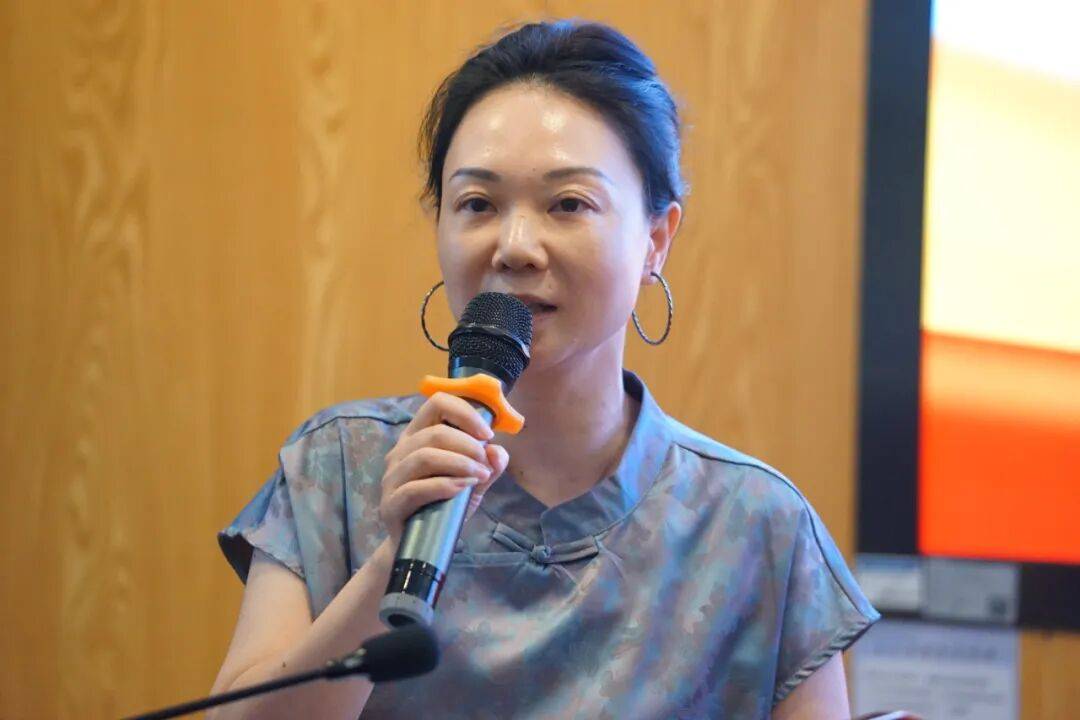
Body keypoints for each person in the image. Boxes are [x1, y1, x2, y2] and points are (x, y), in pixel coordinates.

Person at [209, 20, 878, 720]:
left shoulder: (758, 526)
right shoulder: (336, 467)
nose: (516, 247)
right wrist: (392, 559)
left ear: (656, 240)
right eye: (478, 205)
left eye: (568, 204)